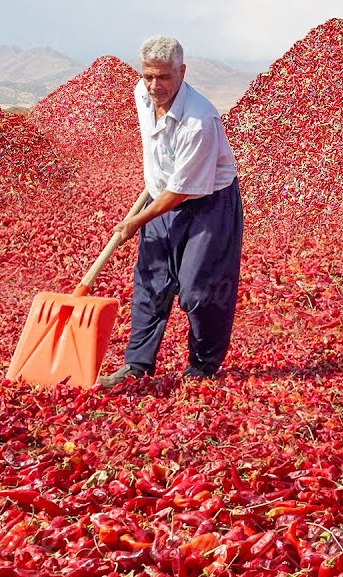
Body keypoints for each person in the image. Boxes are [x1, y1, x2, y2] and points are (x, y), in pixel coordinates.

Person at [97, 35, 243, 389]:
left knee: (199, 290)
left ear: (182, 71)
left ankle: (203, 366)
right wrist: (152, 187)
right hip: (162, 195)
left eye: (163, 77)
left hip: (207, 202)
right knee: (150, 282)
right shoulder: (141, 95)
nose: (153, 85)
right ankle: (137, 364)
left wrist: (135, 220)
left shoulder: (199, 120)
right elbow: (159, 155)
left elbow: (181, 191)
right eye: (148, 76)